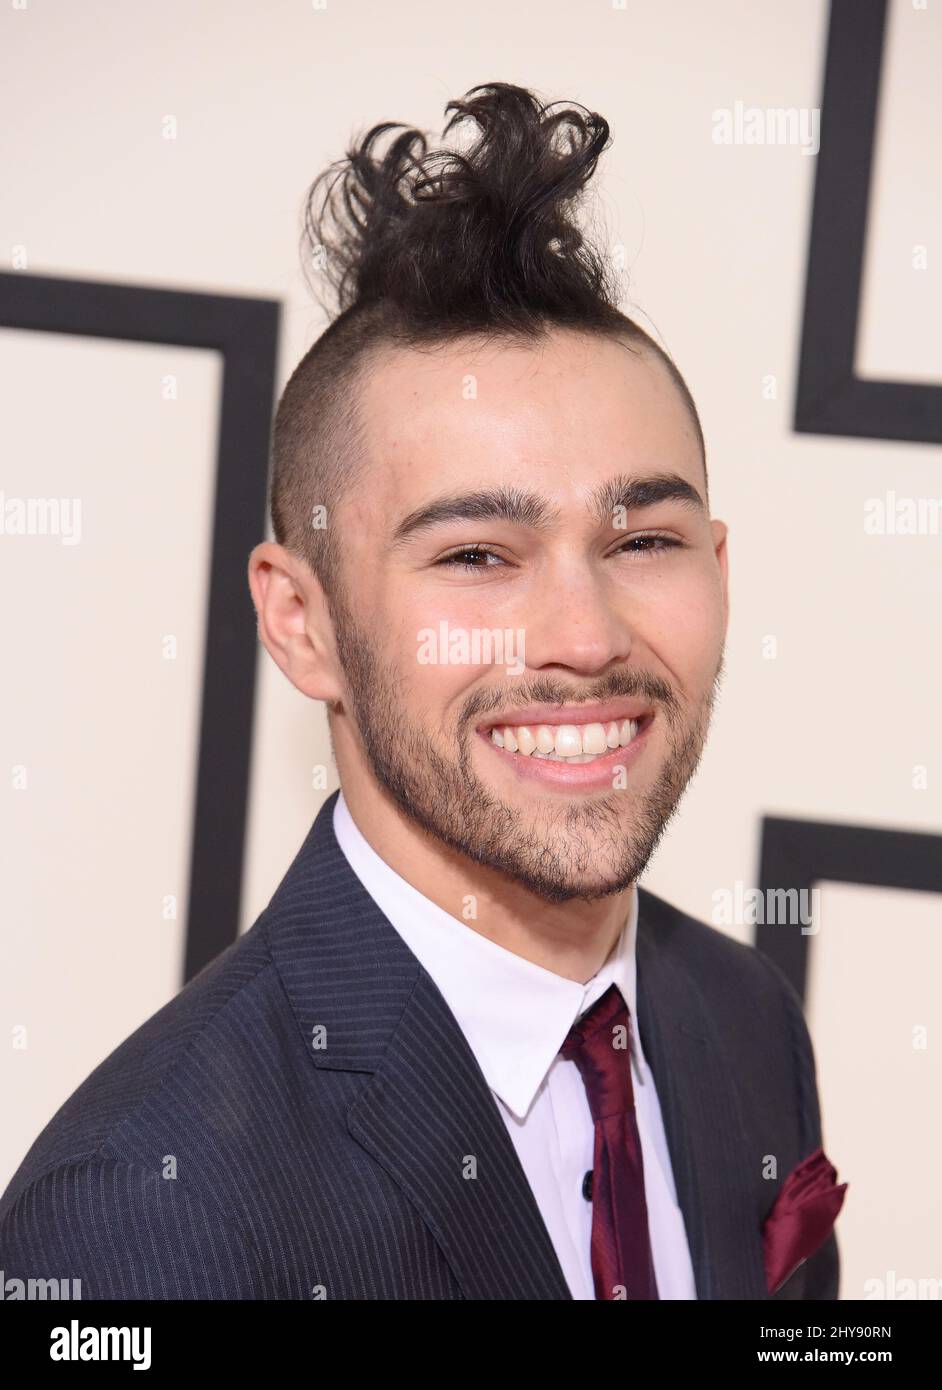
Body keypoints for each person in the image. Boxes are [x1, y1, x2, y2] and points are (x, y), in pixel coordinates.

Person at [0, 82, 844, 1300]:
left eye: (643, 539)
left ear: (719, 568)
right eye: (476, 557)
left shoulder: (746, 1020)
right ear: (305, 624)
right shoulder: (133, 1214)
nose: (585, 637)